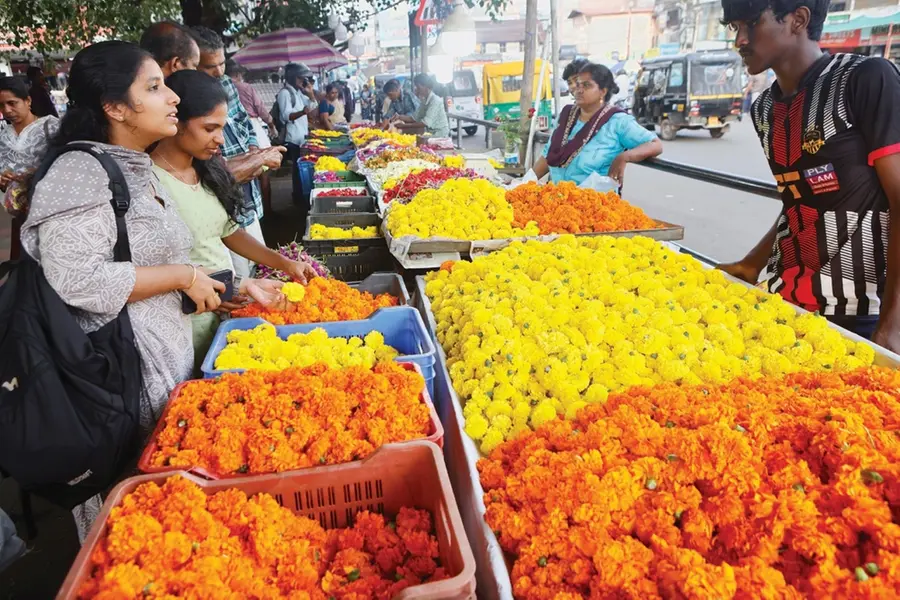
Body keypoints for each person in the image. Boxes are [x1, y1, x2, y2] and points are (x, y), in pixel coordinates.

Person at [20, 40, 226, 539]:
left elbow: (143, 260)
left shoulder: (131, 163)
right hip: (116, 384)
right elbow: (78, 280)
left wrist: (222, 284)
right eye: (154, 88)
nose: (172, 97)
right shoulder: (80, 171)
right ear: (114, 107)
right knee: (131, 537)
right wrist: (181, 276)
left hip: (158, 373)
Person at [720, 0, 900, 351]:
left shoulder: (866, 79)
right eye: (733, 28)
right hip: (781, 302)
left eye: (750, 24)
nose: (739, 40)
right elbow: (799, 199)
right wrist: (751, 264)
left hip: (857, 317)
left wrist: (892, 325)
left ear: (798, 19)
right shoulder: (764, 109)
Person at [151, 70, 315, 367]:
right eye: (209, 128)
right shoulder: (151, 182)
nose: (219, 140)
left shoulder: (206, 171)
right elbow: (152, 264)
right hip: (183, 318)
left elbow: (229, 232)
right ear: (177, 121)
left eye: (222, 128)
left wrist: (284, 263)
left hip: (223, 303)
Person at [191, 26, 284, 278]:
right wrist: (257, 159)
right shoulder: (187, 99)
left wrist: (255, 152)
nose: (219, 72)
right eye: (210, 67)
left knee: (252, 263)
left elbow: (245, 123)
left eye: (222, 63)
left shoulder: (227, 86)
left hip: (244, 192)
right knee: (235, 274)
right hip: (222, 193)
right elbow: (215, 171)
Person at [532, 63, 662, 187]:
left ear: (603, 91)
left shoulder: (617, 121)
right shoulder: (566, 115)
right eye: (578, 85)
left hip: (595, 204)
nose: (579, 90)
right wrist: (525, 183)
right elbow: (548, 154)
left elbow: (655, 144)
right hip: (558, 201)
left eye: (587, 85)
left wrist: (624, 157)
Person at [0, 76, 59, 259]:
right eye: (1, 106)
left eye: (12, 103)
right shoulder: (3, 136)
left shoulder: (51, 128)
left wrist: (34, 174)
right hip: (18, 214)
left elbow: (65, 164)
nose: (7, 110)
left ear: (28, 100)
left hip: (50, 210)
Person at [226, 58, 276, 214]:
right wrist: (271, 124)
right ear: (238, 74)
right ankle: (266, 210)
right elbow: (260, 109)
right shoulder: (245, 87)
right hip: (251, 126)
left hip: (231, 131)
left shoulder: (219, 87)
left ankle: (248, 208)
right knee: (263, 170)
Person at [277, 63, 318, 225]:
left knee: (299, 169)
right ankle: (297, 201)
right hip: (293, 138)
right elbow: (286, 116)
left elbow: (312, 107)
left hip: (302, 136)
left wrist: (310, 93)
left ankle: (300, 198)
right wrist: (302, 112)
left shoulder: (298, 93)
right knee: (296, 170)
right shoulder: (285, 94)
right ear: (294, 78)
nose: (304, 81)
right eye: (302, 78)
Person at [393, 73, 450, 138]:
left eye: (418, 87)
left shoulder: (435, 101)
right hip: (430, 133)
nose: (417, 90)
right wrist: (399, 117)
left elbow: (424, 123)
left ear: (426, 87)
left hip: (440, 135)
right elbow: (414, 118)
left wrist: (404, 126)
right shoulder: (424, 100)